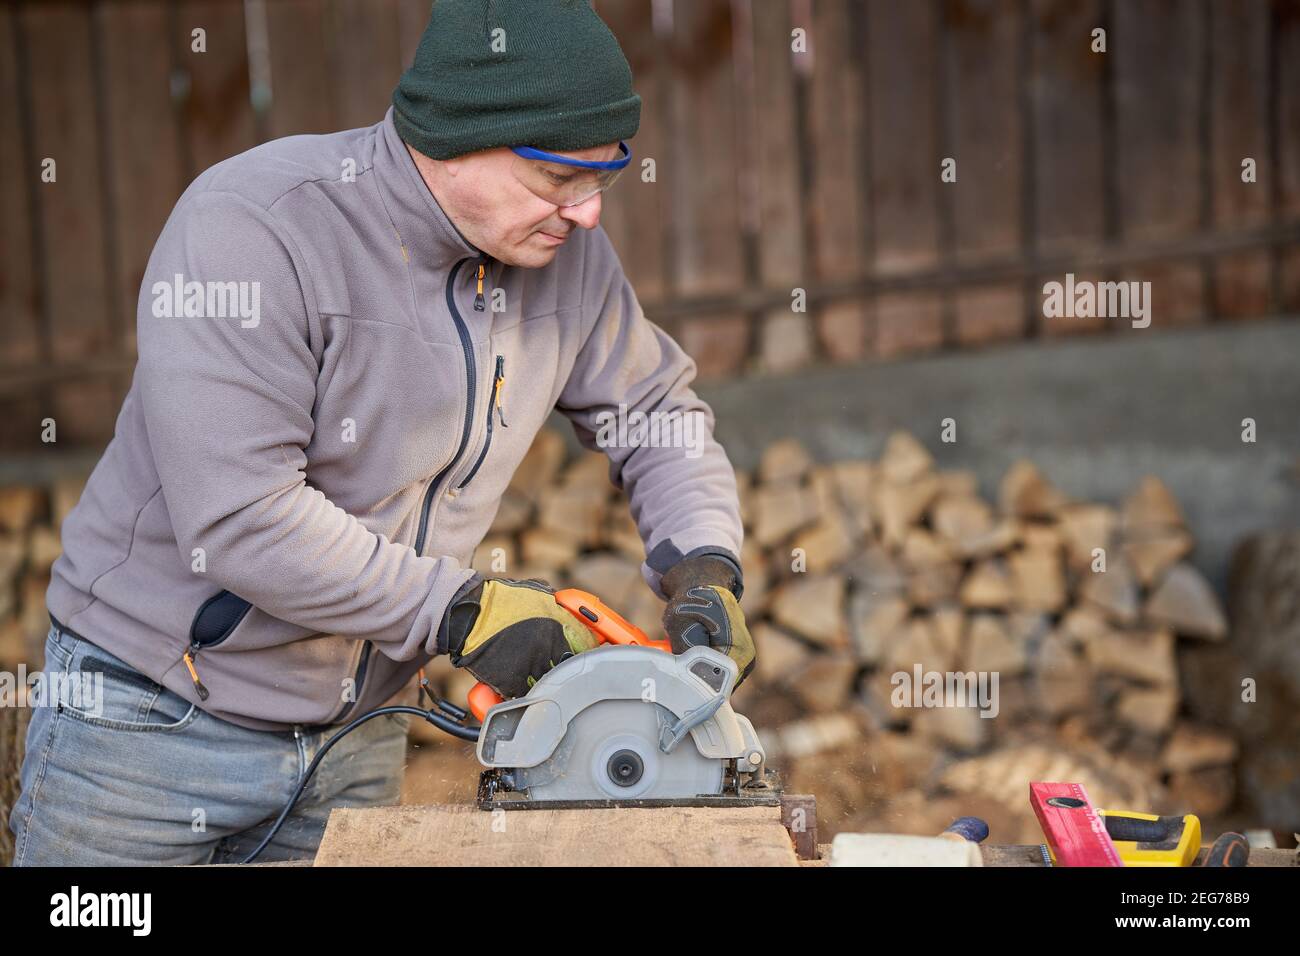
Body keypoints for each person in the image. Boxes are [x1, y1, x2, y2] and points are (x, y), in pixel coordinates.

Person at [9, 0, 754, 865]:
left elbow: (655, 413)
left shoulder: (568, 261)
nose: (588, 214)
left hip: (352, 741)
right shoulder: (256, 231)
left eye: (607, 176)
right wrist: (458, 609)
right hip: (149, 731)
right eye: (560, 177)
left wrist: (705, 559)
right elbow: (241, 517)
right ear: (460, 133)